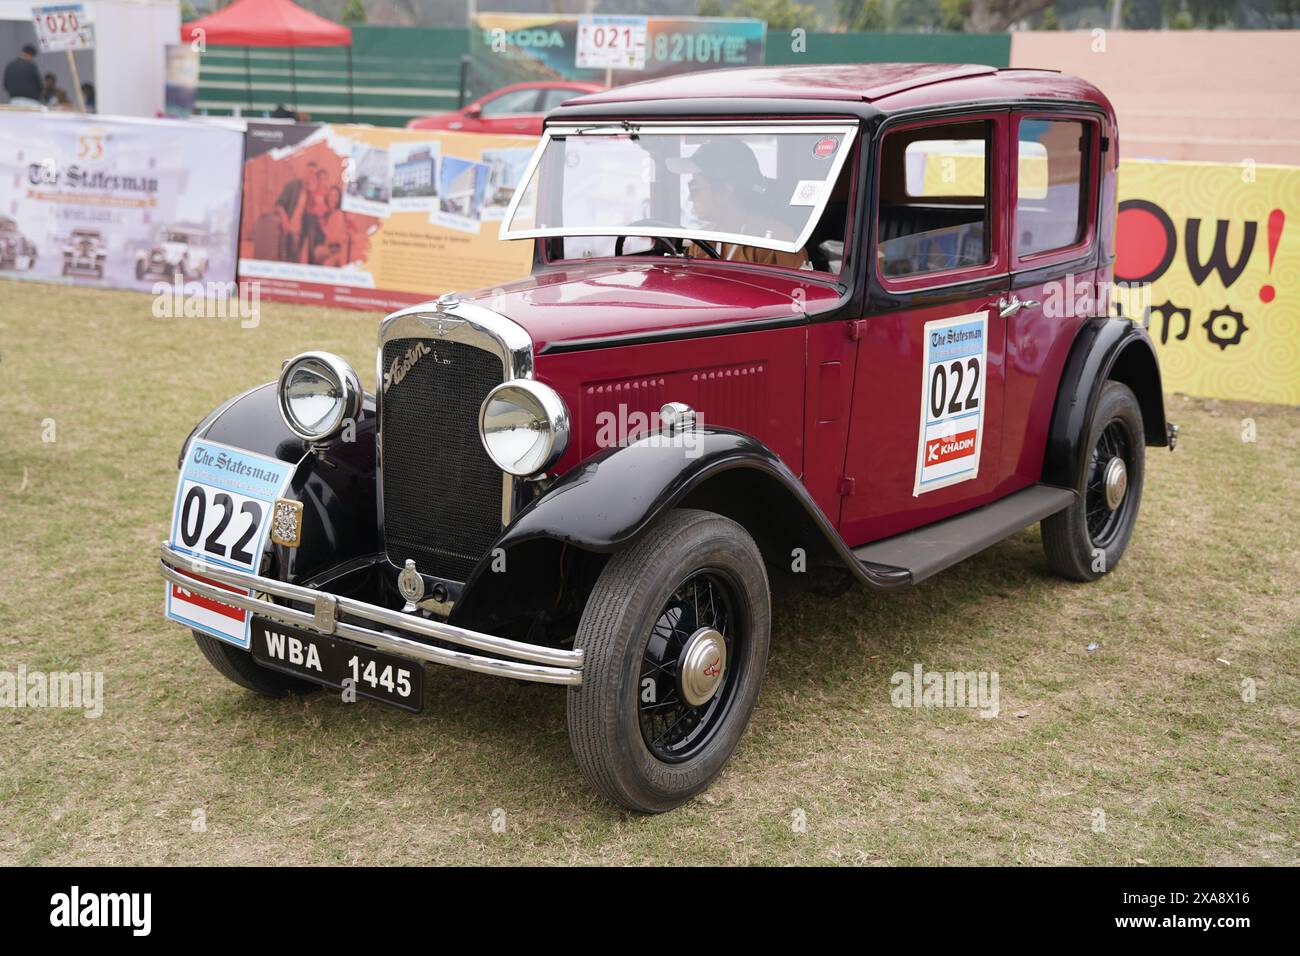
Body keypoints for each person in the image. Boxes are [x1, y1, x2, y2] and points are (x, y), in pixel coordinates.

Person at [667, 138, 809, 270]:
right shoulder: (704, 239)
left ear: (727, 190)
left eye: (695, 188)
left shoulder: (779, 243)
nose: (691, 198)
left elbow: (791, 293)